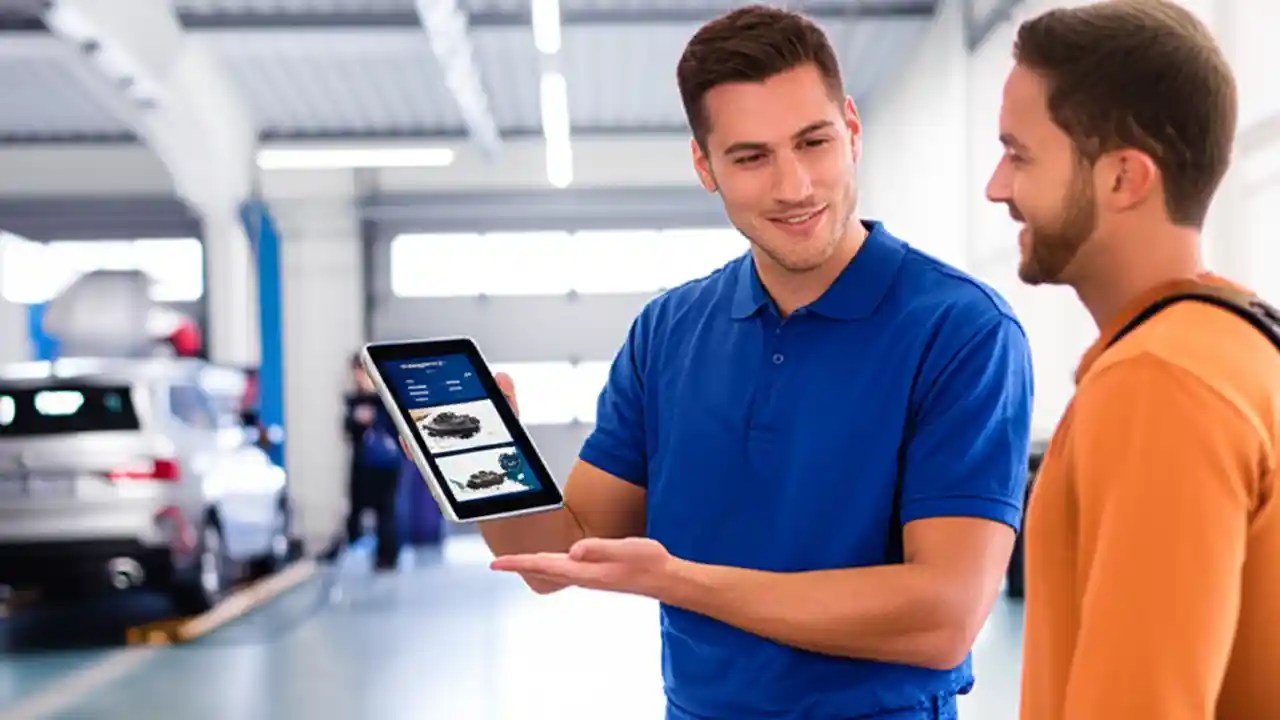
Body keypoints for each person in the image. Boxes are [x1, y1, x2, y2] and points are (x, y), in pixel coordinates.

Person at [476, 6, 1034, 718]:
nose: (795, 185)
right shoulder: (668, 332)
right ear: (705, 166)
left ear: (852, 130)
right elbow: (566, 554)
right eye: (751, 157)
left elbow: (942, 617)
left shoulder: (961, 331)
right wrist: (494, 473)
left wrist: (682, 582)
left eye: (814, 142)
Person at [985, 1, 1280, 718]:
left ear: (1124, 179)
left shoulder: (1159, 384)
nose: (997, 186)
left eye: (1020, 154)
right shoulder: (1237, 348)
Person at [328, 353, 402, 570]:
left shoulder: (387, 399)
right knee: (356, 509)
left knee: (386, 511)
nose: (360, 375)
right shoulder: (354, 399)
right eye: (358, 370)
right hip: (363, 464)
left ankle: (387, 556)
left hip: (386, 465)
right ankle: (352, 548)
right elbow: (348, 430)